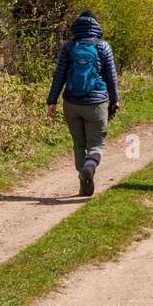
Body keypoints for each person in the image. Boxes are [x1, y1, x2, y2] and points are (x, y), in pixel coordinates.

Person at [47, 11, 119, 196]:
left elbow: (59, 76)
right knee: (96, 144)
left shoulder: (69, 47)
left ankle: (83, 178)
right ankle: (90, 166)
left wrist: (52, 101)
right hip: (96, 104)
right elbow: (111, 78)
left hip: (71, 103)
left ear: (76, 27)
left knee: (79, 144)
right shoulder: (103, 47)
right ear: (96, 26)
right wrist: (114, 101)